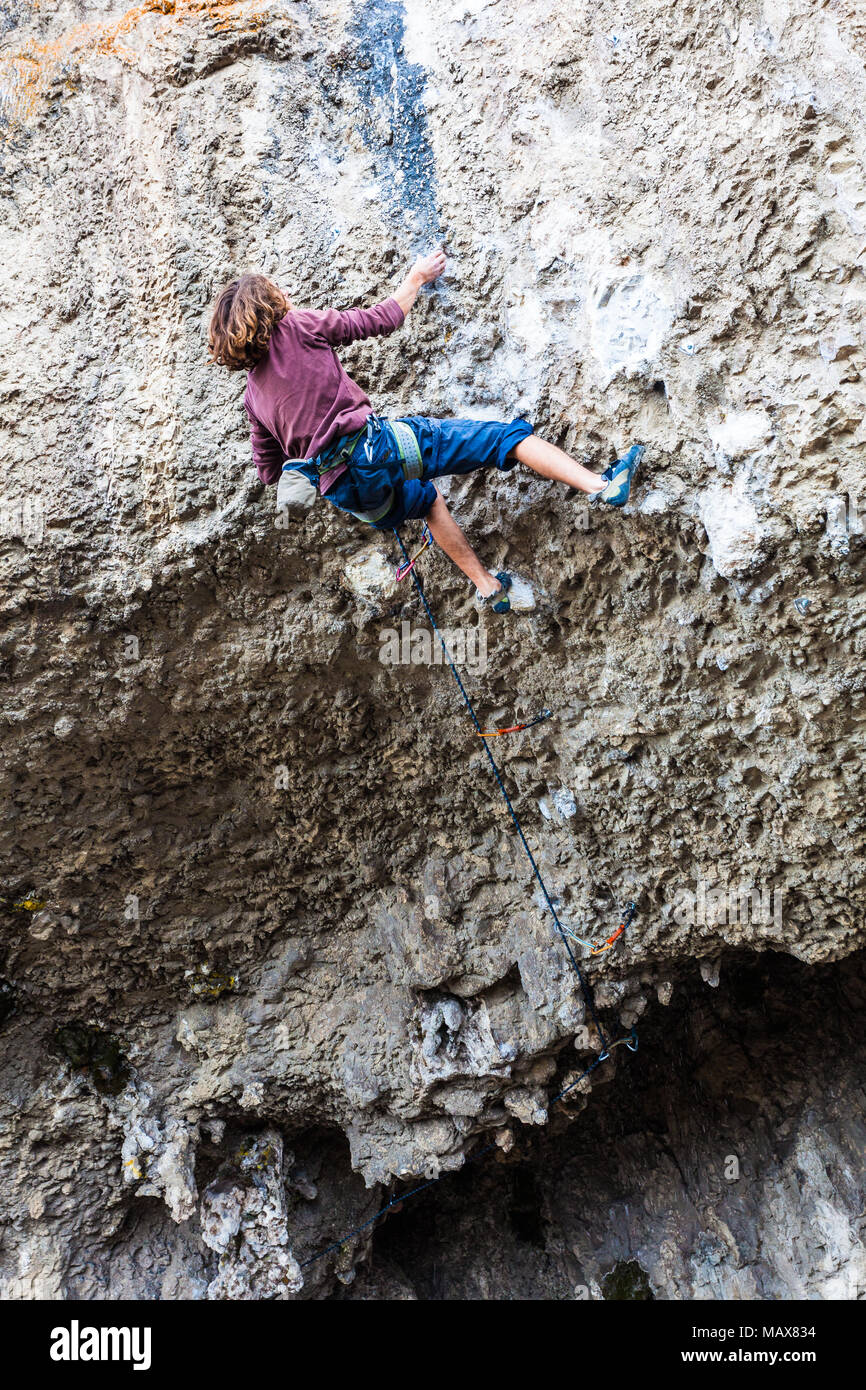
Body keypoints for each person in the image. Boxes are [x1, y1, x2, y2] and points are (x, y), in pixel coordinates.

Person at [208, 249, 643, 613]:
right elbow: (381, 319)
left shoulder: (253, 398)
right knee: (503, 440)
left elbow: (268, 474)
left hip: (352, 495)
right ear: (268, 306)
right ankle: (601, 485)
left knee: (428, 501)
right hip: (378, 450)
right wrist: (416, 276)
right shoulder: (298, 327)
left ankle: (488, 586)